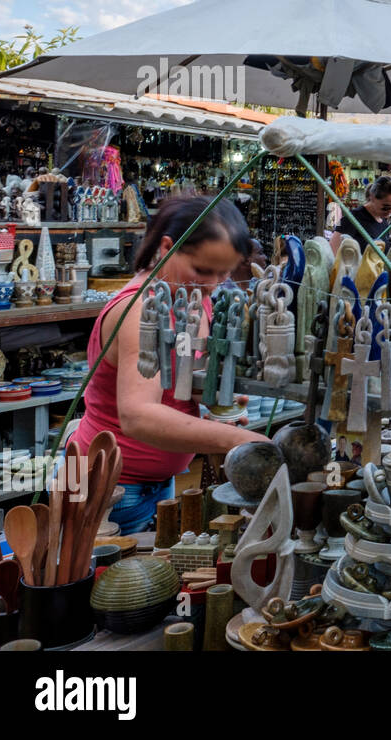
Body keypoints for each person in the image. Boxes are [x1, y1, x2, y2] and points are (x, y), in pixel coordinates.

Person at [72, 196, 269, 533]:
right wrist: (235, 441)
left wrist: (212, 399)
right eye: (202, 270)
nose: (211, 285)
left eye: (222, 274)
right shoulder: (140, 311)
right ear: (166, 247)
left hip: (152, 483)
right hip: (103, 487)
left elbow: (179, 383)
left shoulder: (193, 299)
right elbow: (138, 416)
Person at [330, 175, 391, 255]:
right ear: (372, 197)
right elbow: (332, 254)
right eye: (386, 207)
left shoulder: (383, 222)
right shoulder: (352, 219)